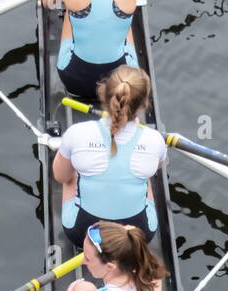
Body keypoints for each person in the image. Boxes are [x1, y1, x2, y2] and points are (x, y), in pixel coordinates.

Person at [52, 66, 166, 247]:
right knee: (146, 178)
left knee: (69, 174)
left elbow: (60, 176)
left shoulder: (77, 133)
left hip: (84, 234)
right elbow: (158, 167)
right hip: (138, 237)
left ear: (104, 92)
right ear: (144, 104)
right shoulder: (155, 140)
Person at [42, 0, 139, 102]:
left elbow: (47, 4)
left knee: (71, 13)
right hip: (120, 84)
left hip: (73, 81)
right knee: (124, 20)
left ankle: (70, 12)